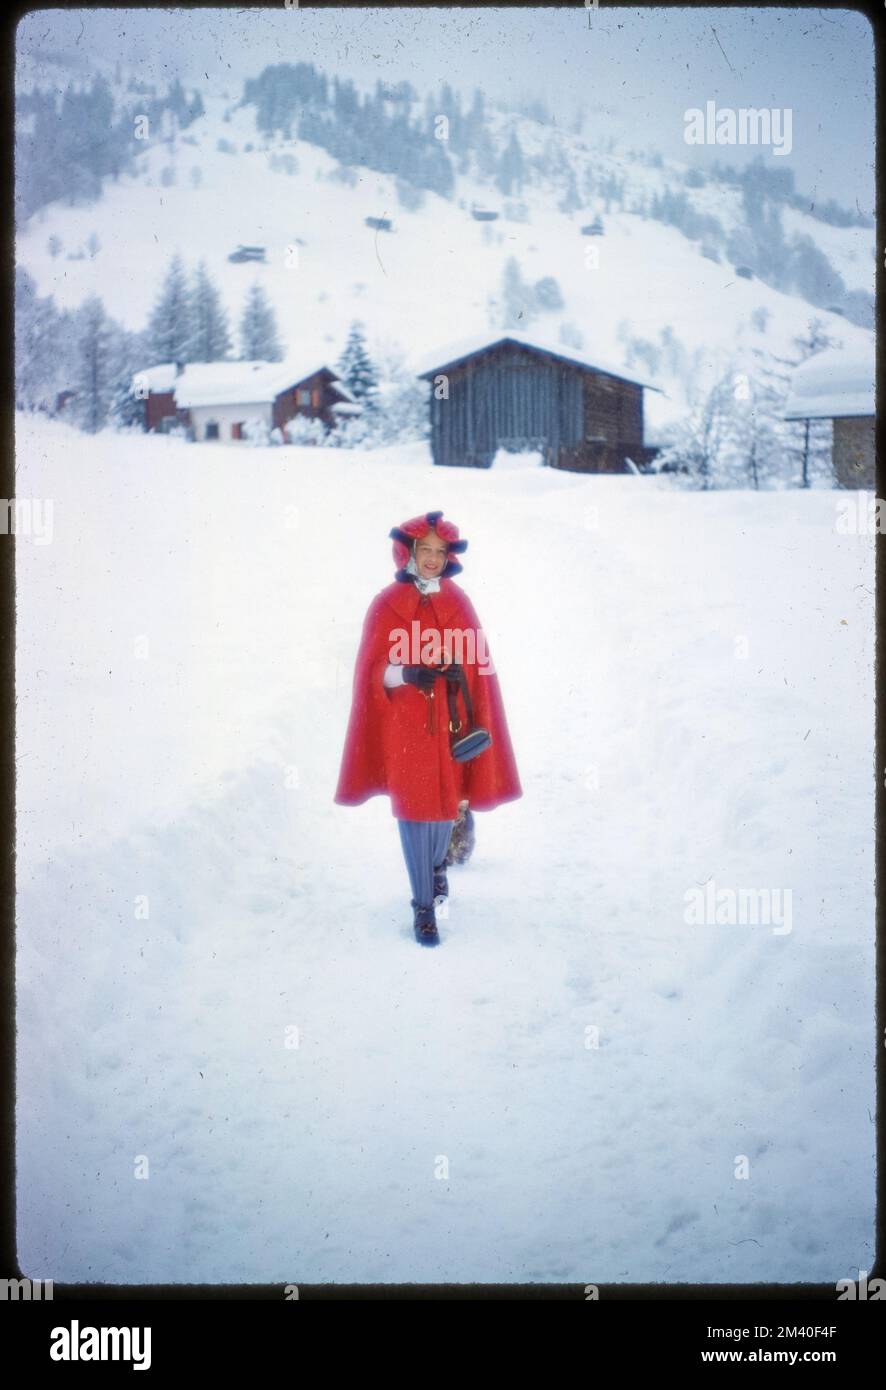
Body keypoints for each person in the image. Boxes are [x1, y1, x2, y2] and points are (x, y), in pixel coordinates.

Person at [334, 510, 522, 945]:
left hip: (451, 723)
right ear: (409, 551)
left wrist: (459, 672)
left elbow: (479, 662)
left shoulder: (459, 601)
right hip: (406, 727)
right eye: (426, 550)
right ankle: (423, 906)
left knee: (442, 810)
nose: (434, 558)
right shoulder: (385, 604)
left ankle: (437, 866)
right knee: (414, 809)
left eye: (441, 551)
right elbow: (371, 673)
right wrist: (405, 673)